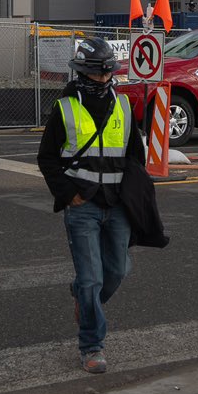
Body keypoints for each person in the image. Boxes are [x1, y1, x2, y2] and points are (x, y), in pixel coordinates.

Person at [36, 34, 145, 374]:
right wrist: (68, 193)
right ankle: (92, 346)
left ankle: (82, 297)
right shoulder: (65, 108)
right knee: (91, 278)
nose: (104, 78)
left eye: (108, 71)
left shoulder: (123, 105)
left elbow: (135, 158)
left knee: (117, 271)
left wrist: (135, 200)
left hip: (117, 205)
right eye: (98, 72)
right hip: (82, 206)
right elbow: (47, 158)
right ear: (82, 73)